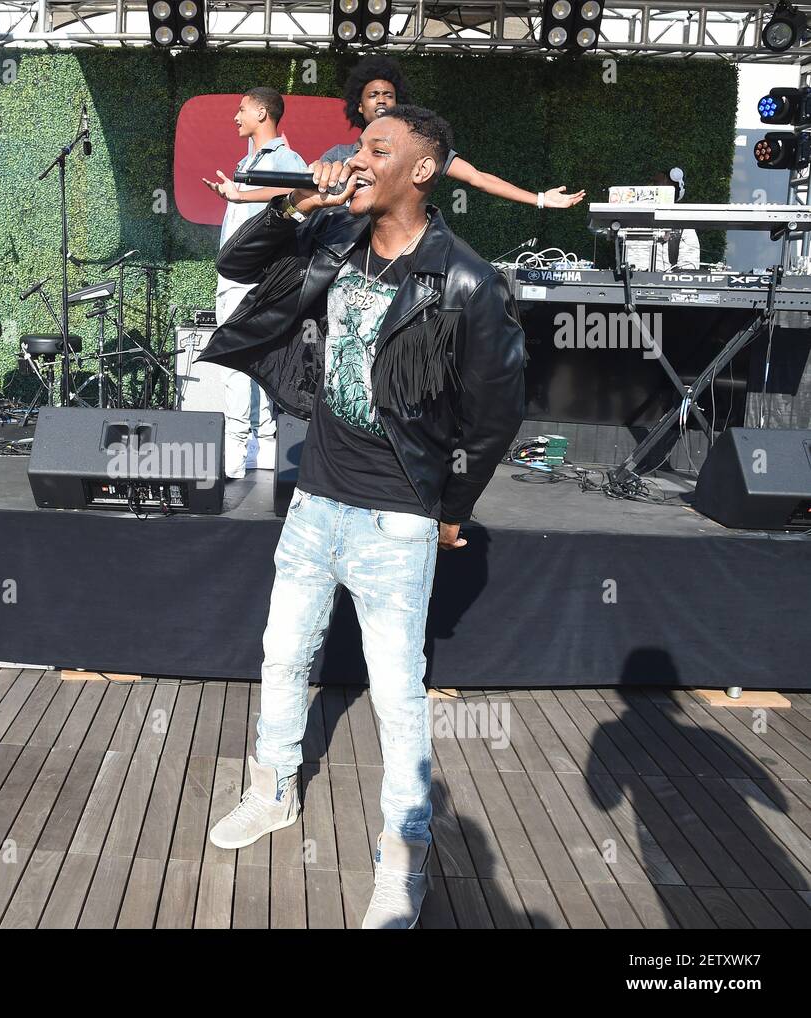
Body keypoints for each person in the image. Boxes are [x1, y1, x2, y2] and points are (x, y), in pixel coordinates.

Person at [198, 106, 526, 928]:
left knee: (396, 698)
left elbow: (494, 416)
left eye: (378, 149)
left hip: (395, 520)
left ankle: (404, 853)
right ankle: (273, 788)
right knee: (281, 658)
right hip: (314, 500)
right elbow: (238, 262)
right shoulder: (332, 240)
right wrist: (298, 204)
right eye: (357, 146)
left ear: (422, 170)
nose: (356, 157)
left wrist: (453, 509)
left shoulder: (467, 282)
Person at [201, 87, 308, 478]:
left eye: (242, 109)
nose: (235, 116)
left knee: (236, 362)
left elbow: (298, 194)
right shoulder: (248, 160)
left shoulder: (284, 157)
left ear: (262, 113)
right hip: (239, 276)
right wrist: (233, 195)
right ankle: (260, 445)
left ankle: (236, 449)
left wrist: (239, 197)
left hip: (253, 278)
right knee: (252, 363)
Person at [316, 56, 586, 209]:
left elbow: (477, 178)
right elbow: (301, 196)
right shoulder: (338, 156)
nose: (382, 100)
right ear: (360, 106)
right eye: (373, 95)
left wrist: (540, 199)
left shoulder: (419, 147)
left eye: (389, 95)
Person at [622, 167, 701, 271]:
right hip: (632, 280)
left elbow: (689, 268)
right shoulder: (633, 219)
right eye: (654, 184)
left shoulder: (683, 227)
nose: (656, 188)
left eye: (665, 185)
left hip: (666, 284)